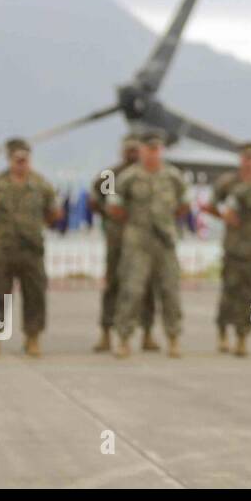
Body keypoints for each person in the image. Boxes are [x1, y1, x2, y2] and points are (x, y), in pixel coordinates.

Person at [107, 130, 188, 358]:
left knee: (170, 291)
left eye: (156, 149)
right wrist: (136, 224)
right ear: (141, 150)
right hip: (137, 244)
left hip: (165, 243)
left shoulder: (173, 177)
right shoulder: (128, 177)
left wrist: (166, 221)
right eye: (148, 149)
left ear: (161, 151)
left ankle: (173, 338)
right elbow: (114, 208)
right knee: (131, 291)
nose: (152, 153)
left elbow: (184, 205)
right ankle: (123, 338)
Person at [0, 138, 62, 357]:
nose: (21, 164)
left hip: (31, 250)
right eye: (17, 160)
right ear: (9, 160)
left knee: (35, 295)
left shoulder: (41, 184)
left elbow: (54, 213)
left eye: (24, 160)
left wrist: (34, 227)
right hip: (3, 250)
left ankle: (32, 338)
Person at [89, 134, 158, 352]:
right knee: (114, 284)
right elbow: (95, 200)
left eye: (135, 150)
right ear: (122, 151)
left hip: (144, 239)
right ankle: (106, 333)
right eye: (128, 150)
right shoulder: (111, 175)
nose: (132, 153)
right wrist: (109, 216)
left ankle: (147, 332)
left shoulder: (149, 175)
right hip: (117, 239)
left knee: (146, 286)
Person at [202, 141, 251, 353]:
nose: (249, 163)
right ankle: (223, 333)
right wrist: (224, 216)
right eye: (245, 158)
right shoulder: (228, 183)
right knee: (230, 292)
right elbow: (211, 206)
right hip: (234, 246)